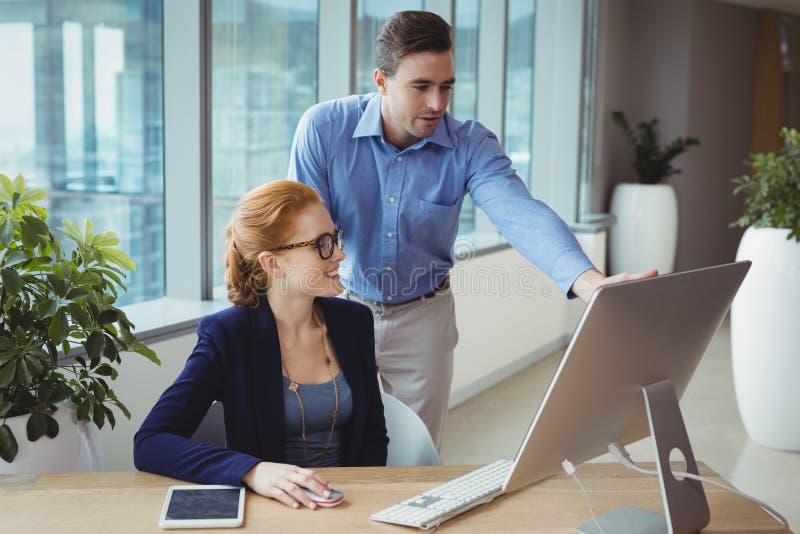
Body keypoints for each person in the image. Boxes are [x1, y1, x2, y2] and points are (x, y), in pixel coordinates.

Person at [288, 10, 656, 450]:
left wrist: (590, 282)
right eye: (421, 86)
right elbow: (303, 236)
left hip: (423, 320)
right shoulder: (324, 129)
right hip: (341, 308)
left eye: (446, 86)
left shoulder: (470, 146)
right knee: (336, 447)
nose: (437, 103)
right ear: (381, 81)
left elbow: (520, 212)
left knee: (417, 454)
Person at [134, 181, 388, 510]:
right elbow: (150, 442)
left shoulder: (354, 321)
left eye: (335, 238)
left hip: (347, 502)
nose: (339, 254)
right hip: (269, 508)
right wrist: (252, 471)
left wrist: (364, 507)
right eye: (322, 244)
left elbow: (372, 435)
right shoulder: (228, 335)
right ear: (272, 263)